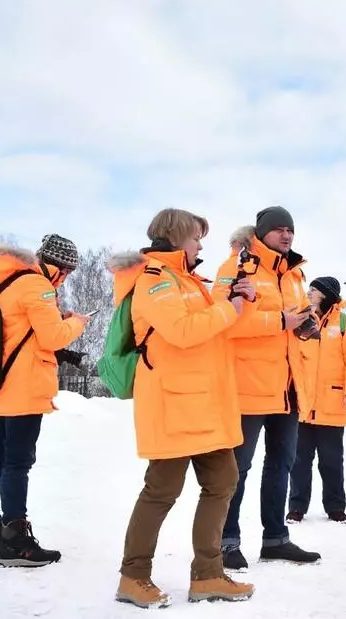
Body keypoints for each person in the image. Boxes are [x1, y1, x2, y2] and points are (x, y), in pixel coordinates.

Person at [110, 209, 258, 608]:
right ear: (176, 236)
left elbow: (215, 327)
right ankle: (133, 577)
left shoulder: (191, 281)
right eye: (196, 237)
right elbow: (182, 331)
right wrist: (228, 308)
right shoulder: (155, 279)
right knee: (162, 490)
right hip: (173, 405)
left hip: (205, 405)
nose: (200, 245)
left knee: (224, 479)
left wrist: (237, 299)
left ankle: (208, 574)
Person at [0, 234, 90, 567]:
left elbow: (27, 332)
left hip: (1, 384)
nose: (64, 278)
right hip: (25, 388)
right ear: (54, 264)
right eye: (65, 271)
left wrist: (57, 318)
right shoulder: (36, 285)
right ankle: (15, 542)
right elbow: (53, 337)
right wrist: (77, 322)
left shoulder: (6, 282)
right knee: (17, 462)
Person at [213, 206, 319, 569]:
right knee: (237, 468)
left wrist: (306, 324)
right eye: (278, 230)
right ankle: (226, 542)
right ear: (261, 233)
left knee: (282, 464)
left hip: (287, 387)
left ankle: (275, 538)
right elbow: (225, 322)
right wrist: (281, 320)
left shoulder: (293, 275)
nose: (286, 235)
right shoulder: (236, 267)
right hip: (248, 387)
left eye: (290, 229)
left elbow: (296, 318)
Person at [287, 276, 346, 524]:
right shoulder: (303, 321)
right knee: (299, 461)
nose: (309, 293)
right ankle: (296, 507)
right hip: (304, 403)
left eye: (314, 290)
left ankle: (335, 507)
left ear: (326, 294)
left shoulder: (344, 323)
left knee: (331, 461)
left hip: (333, 402)